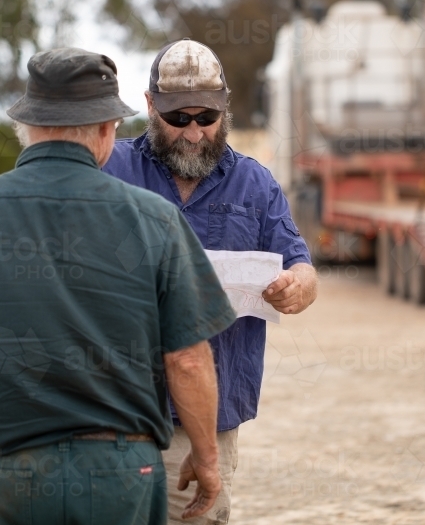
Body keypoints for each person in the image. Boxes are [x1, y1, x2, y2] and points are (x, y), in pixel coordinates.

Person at [0, 47, 237, 525]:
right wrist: (205, 457)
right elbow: (186, 358)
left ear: (27, 128)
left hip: (4, 473)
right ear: (104, 130)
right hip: (120, 474)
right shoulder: (156, 221)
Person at [103, 39, 319, 524]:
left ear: (226, 109)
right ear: (150, 106)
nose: (194, 133)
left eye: (207, 117)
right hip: (118, 413)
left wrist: (298, 286)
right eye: (178, 119)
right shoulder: (110, 170)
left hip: (210, 420)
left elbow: (301, 266)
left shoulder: (256, 185)